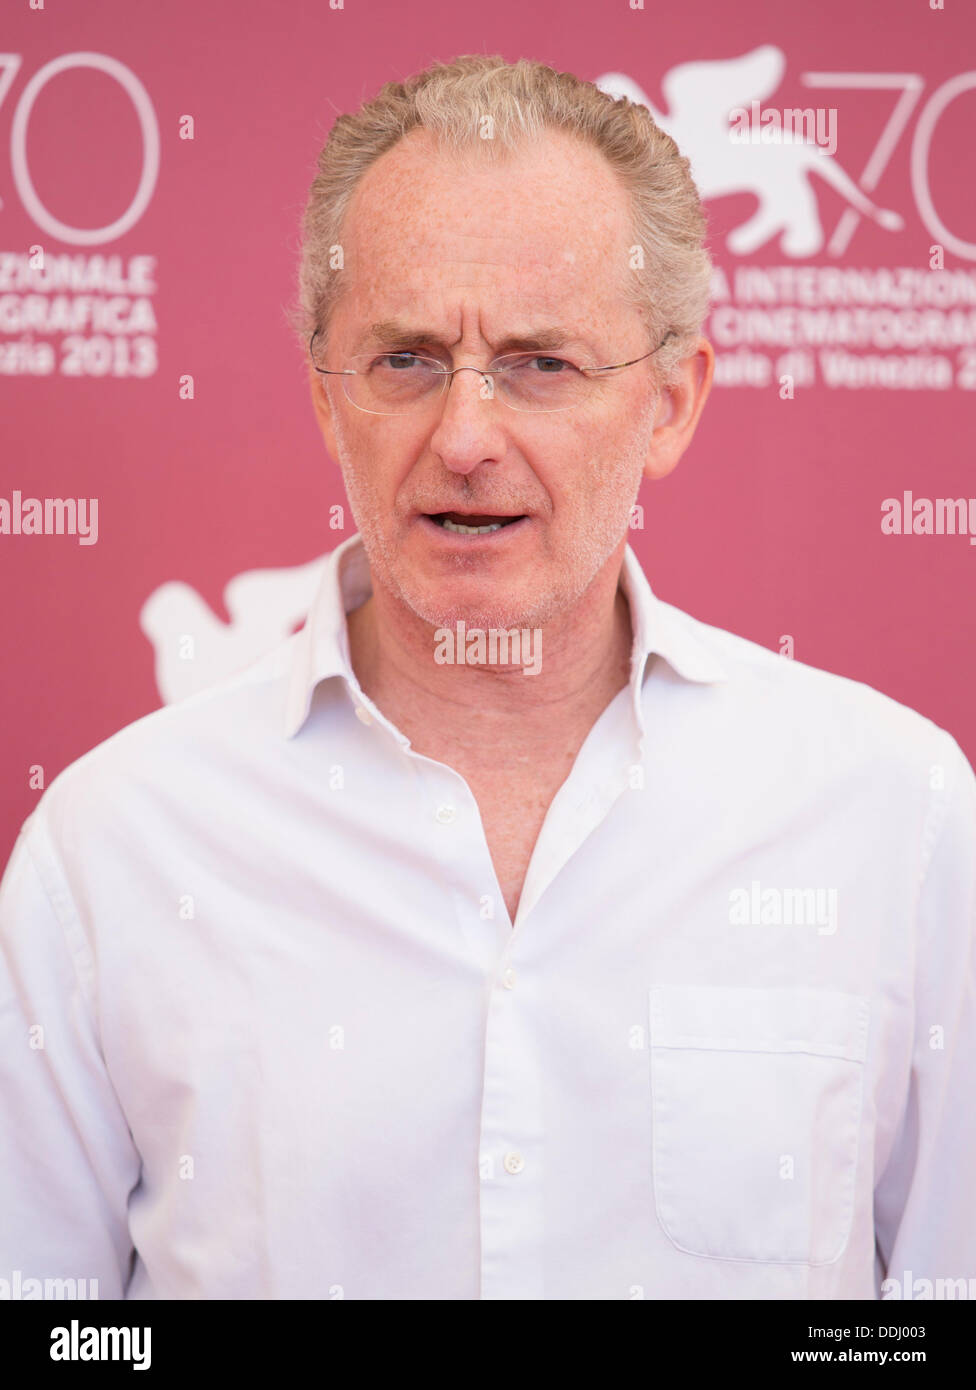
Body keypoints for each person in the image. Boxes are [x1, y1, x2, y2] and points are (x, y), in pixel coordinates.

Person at [1, 54, 973, 1302]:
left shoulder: (894, 817)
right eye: (404, 360)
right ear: (324, 397)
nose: (463, 437)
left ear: (671, 404)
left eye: (540, 365)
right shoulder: (111, 849)